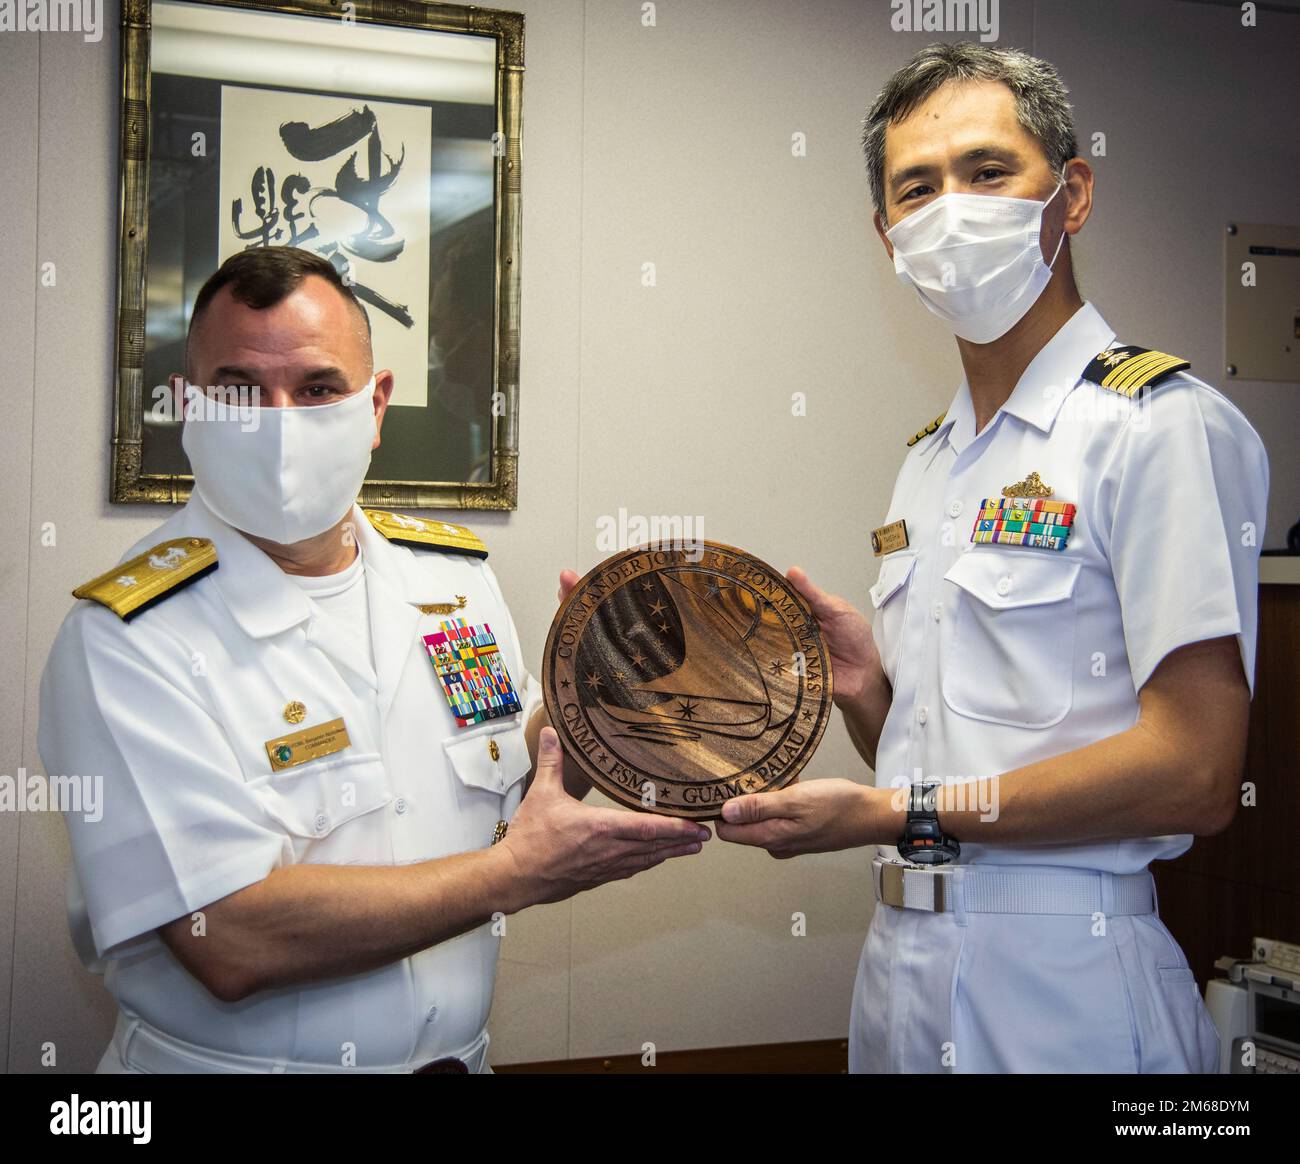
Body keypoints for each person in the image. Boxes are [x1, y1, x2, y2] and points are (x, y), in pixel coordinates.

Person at [716, 42, 1268, 1074]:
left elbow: (1196, 773)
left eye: (987, 171)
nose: (952, 211)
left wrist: (892, 811)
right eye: (916, 189)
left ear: (1072, 193)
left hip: (1070, 976)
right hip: (899, 966)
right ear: (887, 239)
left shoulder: (1155, 427)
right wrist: (865, 688)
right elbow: (938, 758)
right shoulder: (930, 462)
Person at [38, 246, 709, 1074]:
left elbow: (529, 781)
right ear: (189, 406)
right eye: (241, 390)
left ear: (376, 404)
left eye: (318, 388)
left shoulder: (453, 583)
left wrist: (596, 689)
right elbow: (233, 939)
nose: (280, 420)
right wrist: (515, 874)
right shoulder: (125, 638)